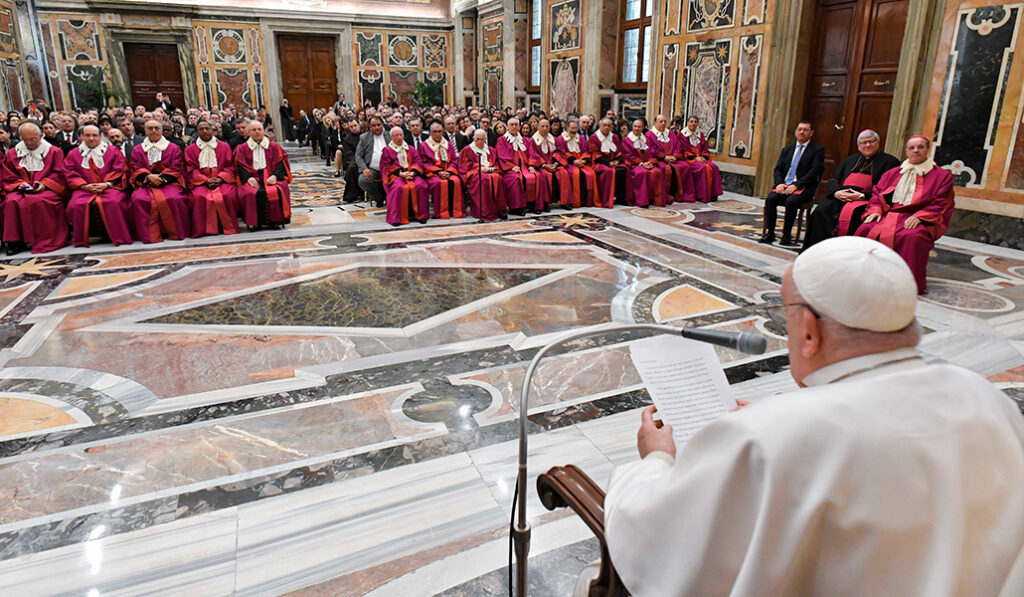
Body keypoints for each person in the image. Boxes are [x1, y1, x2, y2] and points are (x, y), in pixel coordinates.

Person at [601, 236, 1024, 597]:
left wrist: (656, 460)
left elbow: (657, 541)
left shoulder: (766, 438)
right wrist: (779, 419)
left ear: (807, 331)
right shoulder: (986, 399)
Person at [855, 135, 954, 295]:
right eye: (912, 147)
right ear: (906, 150)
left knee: (912, 237)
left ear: (928, 149)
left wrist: (921, 216)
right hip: (889, 214)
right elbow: (877, 194)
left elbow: (942, 202)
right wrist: (875, 210)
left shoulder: (942, 176)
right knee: (864, 229)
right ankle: (865, 277)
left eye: (920, 147)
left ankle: (905, 283)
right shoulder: (892, 173)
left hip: (917, 218)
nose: (916, 150)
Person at [802, 130, 901, 251]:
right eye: (864, 142)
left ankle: (845, 252)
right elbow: (833, 179)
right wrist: (836, 192)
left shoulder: (890, 162)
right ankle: (817, 250)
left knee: (855, 216)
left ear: (878, 143)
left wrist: (862, 195)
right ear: (859, 146)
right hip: (841, 196)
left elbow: (888, 187)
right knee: (820, 212)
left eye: (871, 141)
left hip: (866, 200)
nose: (868, 145)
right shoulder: (849, 160)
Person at [1, 122, 69, 254]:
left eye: (33, 139)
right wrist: (19, 184)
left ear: (41, 136)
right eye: (25, 139)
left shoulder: (54, 151)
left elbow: (59, 173)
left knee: (36, 202)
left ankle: (45, 240)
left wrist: (44, 184)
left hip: (47, 189)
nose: (29, 143)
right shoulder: (13, 153)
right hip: (21, 188)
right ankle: (15, 242)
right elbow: (8, 175)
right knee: (11, 202)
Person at [63, 124, 132, 248]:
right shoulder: (73, 154)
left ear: (101, 137)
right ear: (81, 137)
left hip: (109, 187)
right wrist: (84, 185)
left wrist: (106, 184)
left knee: (113, 202)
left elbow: (120, 170)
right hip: (85, 189)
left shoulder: (113, 151)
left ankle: (119, 236)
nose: (91, 138)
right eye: (87, 135)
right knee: (76, 205)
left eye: (94, 135)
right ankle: (81, 239)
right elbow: (69, 172)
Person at [759, 120, 825, 246]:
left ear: (811, 133)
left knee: (791, 201)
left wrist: (797, 185)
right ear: (796, 131)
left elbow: (814, 171)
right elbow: (778, 169)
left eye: (805, 130)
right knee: (771, 199)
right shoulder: (787, 149)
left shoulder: (817, 150)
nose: (802, 132)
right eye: (799, 129)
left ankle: (787, 236)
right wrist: (779, 183)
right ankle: (770, 233)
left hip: (804, 187)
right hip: (785, 184)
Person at [128, 119, 190, 243]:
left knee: (173, 198)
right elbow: (135, 167)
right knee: (138, 199)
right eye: (150, 128)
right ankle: (150, 234)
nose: (154, 131)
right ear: (145, 131)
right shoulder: (138, 149)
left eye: (156, 128)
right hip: (146, 183)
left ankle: (174, 231)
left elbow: (176, 167)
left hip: (169, 182)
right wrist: (148, 177)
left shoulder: (173, 148)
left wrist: (161, 179)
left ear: (161, 130)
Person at [185, 120, 239, 237]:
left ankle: (225, 226)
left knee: (227, 195)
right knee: (198, 197)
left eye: (207, 128)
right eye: (201, 129)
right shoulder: (190, 149)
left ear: (212, 130)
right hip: (201, 182)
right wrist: (204, 180)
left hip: (222, 180)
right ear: (197, 132)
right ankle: (205, 228)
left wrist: (220, 178)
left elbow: (230, 166)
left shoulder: (224, 147)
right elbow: (190, 169)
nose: (205, 131)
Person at [235, 120, 292, 230]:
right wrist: (248, 178)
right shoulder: (242, 148)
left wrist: (275, 176)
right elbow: (240, 165)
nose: (257, 132)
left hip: (271, 177)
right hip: (252, 178)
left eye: (259, 129)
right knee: (249, 193)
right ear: (249, 132)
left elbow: (282, 163)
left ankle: (276, 221)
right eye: (254, 130)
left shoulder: (274, 147)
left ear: (263, 131)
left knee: (276, 190)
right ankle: (255, 222)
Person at [496, 117, 547, 215]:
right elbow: (502, 156)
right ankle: (517, 208)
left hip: (526, 167)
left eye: (516, 125)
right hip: (511, 169)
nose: (514, 127)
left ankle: (533, 205)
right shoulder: (502, 140)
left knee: (538, 176)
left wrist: (532, 165)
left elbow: (533, 154)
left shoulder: (525, 140)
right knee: (515, 179)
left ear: (519, 127)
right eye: (512, 125)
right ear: (507, 127)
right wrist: (511, 167)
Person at [380, 126, 429, 226]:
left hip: (411, 174)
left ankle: (420, 215)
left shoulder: (410, 148)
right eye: (396, 135)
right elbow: (386, 166)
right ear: (391, 137)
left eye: (400, 135)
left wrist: (413, 172)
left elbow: (418, 161)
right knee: (398, 188)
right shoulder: (387, 150)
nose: (399, 137)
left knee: (420, 185)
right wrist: (401, 173)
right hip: (396, 175)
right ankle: (397, 218)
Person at [459, 129, 506, 222]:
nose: (480, 142)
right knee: (483, 179)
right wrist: (479, 167)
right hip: (475, 173)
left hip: (490, 171)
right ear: (473, 138)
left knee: (498, 178)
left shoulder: (491, 150)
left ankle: (500, 210)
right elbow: (464, 166)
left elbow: (496, 163)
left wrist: (493, 168)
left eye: (482, 139)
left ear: (485, 139)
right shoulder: (467, 150)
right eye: (477, 139)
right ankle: (484, 212)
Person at [420, 121, 465, 219]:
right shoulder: (424, 145)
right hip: (433, 174)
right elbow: (424, 163)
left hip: (449, 171)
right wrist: (438, 172)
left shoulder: (448, 144)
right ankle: (441, 212)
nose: (437, 134)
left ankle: (455, 211)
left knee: (456, 181)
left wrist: (448, 172)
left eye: (439, 131)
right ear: (430, 133)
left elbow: (454, 161)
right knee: (438, 183)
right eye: (435, 131)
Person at [646, 114, 693, 203]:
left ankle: (683, 195)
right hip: (659, 160)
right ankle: (666, 195)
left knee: (685, 167)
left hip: (673, 158)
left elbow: (677, 146)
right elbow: (651, 150)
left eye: (665, 121)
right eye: (661, 122)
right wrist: (664, 157)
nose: (663, 124)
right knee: (665, 169)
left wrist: (675, 156)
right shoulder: (649, 135)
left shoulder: (670, 133)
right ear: (655, 122)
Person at [620, 119, 664, 208]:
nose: (636, 128)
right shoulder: (627, 140)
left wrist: (650, 162)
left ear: (643, 128)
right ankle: (642, 201)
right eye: (635, 126)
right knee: (642, 173)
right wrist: (641, 163)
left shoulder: (646, 139)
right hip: (634, 165)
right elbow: (629, 156)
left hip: (646, 163)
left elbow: (652, 152)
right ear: (632, 127)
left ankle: (654, 199)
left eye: (639, 127)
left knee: (657, 172)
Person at [678, 116, 722, 203]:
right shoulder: (682, 135)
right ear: (687, 123)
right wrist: (695, 158)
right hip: (689, 160)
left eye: (695, 122)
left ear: (697, 124)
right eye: (691, 121)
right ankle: (702, 195)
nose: (693, 124)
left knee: (714, 167)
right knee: (703, 168)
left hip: (700, 158)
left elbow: (704, 149)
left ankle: (713, 194)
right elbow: (684, 150)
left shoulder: (700, 135)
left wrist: (703, 157)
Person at [528, 118, 570, 210]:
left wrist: (555, 164)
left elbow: (560, 152)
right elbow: (533, 154)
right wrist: (544, 165)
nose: (544, 128)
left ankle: (564, 202)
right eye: (542, 126)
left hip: (554, 164)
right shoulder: (533, 140)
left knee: (564, 173)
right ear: (538, 128)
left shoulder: (554, 139)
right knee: (544, 176)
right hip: (541, 166)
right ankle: (545, 203)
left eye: (547, 126)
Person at [556, 119, 596, 209]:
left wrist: (583, 161)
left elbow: (586, 150)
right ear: (566, 128)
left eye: (575, 128)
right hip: (569, 163)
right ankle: (574, 200)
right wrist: (574, 161)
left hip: (581, 162)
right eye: (572, 128)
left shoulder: (580, 138)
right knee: (575, 174)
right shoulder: (560, 139)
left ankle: (586, 200)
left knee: (591, 174)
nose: (574, 130)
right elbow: (562, 153)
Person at [589, 118, 624, 208]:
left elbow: (619, 151)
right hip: (600, 163)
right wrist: (609, 163)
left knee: (625, 169)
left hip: (613, 161)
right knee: (609, 171)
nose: (606, 127)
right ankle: (605, 200)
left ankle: (621, 198)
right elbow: (595, 154)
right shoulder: (594, 137)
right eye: (604, 125)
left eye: (608, 126)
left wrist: (617, 161)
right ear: (600, 126)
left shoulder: (614, 137)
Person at [356, 116, 388, 207]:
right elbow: (358, 156)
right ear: (370, 127)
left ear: (382, 125)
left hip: (388, 168)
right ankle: (378, 197)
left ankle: (389, 196)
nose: (376, 127)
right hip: (371, 168)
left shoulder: (389, 136)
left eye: (378, 125)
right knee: (363, 181)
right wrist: (364, 169)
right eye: (374, 125)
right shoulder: (364, 138)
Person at [341, 119, 363, 202]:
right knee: (351, 168)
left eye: (355, 125)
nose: (354, 128)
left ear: (358, 125)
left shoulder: (364, 135)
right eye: (351, 127)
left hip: (366, 158)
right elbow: (349, 154)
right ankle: (352, 195)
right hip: (353, 160)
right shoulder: (347, 139)